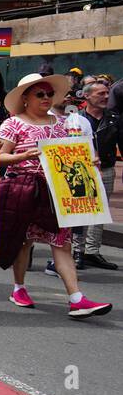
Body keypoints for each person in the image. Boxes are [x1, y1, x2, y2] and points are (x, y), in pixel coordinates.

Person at [0, 73, 111, 318]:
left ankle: (76, 298)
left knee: (62, 243)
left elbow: (72, 154)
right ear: (26, 98)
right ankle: (19, 287)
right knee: (23, 242)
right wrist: (22, 157)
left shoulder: (61, 123)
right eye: (40, 94)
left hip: (56, 191)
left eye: (49, 94)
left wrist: (88, 160)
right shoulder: (13, 124)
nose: (47, 98)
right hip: (23, 189)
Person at [73, 80, 119, 270]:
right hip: (81, 171)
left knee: (101, 211)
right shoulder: (76, 119)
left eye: (107, 93)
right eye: (100, 93)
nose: (106, 97)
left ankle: (92, 251)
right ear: (87, 96)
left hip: (106, 168)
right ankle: (78, 251)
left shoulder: (114, 118)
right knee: (80, 210)